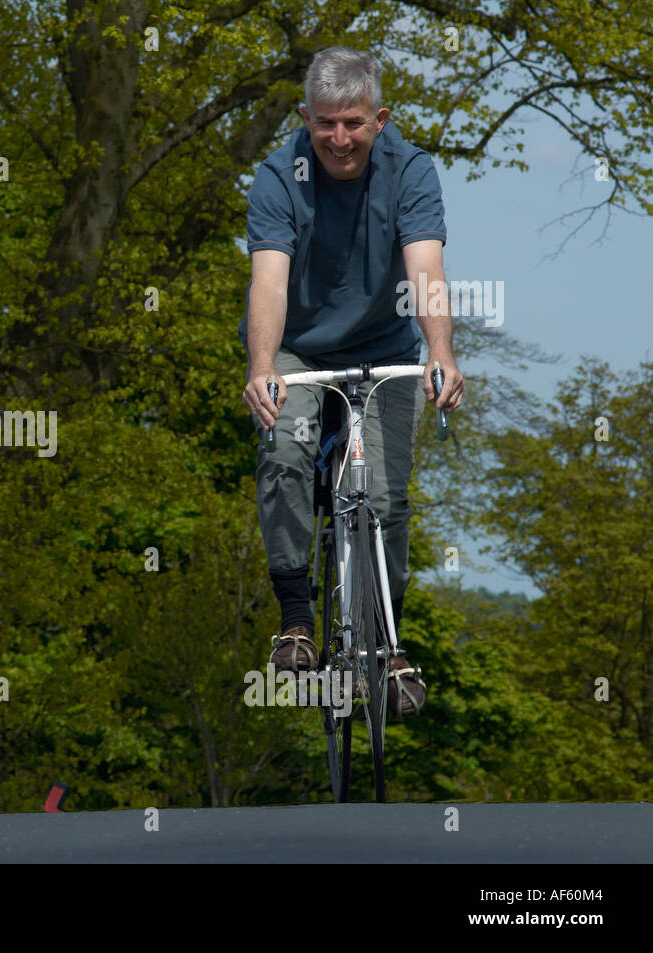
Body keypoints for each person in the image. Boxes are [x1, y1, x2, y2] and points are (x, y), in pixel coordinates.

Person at [238, 47, 465, 717]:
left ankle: (388, 643)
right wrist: (262, 368)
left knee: (388, 498)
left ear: (381, 119)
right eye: (325, 124)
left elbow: (426, 268)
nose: (339, 139)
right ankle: (298, 618)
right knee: (284, 448)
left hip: (386, 349)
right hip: (301, 350)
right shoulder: (280, 176)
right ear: (305, 118)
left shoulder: (411, 170)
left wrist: (441, 351)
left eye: (354, 124)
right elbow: (269, 283)